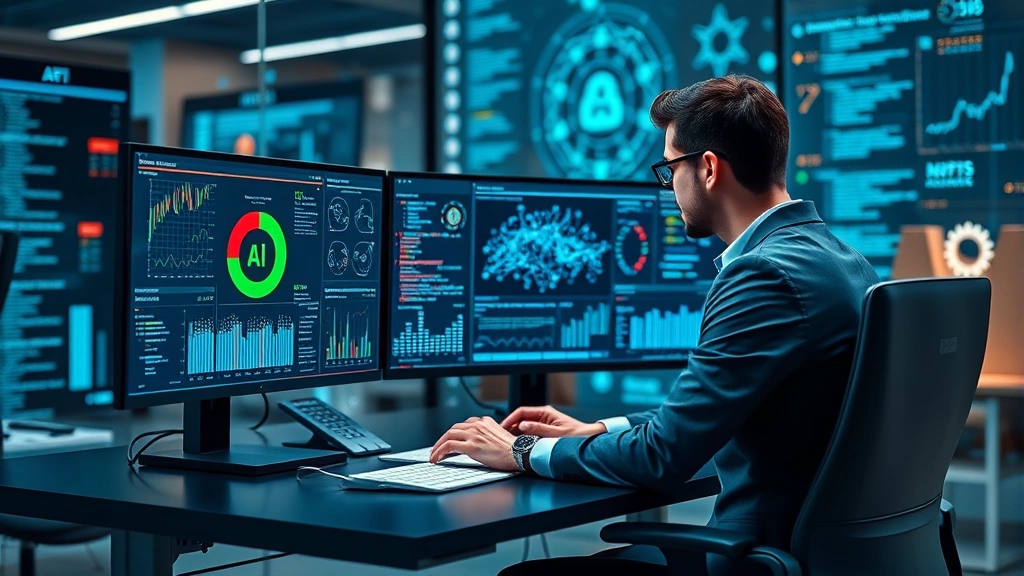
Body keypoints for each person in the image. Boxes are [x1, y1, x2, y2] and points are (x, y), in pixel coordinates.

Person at [430, 75, 880, 575]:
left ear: (708, 168)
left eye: (670, 170)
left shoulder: (763, 274)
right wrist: (599, 429)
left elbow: (663, 457)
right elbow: (707, 412)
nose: (669, 190)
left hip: (759, 555)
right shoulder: (844, 260)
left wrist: (519, 449)